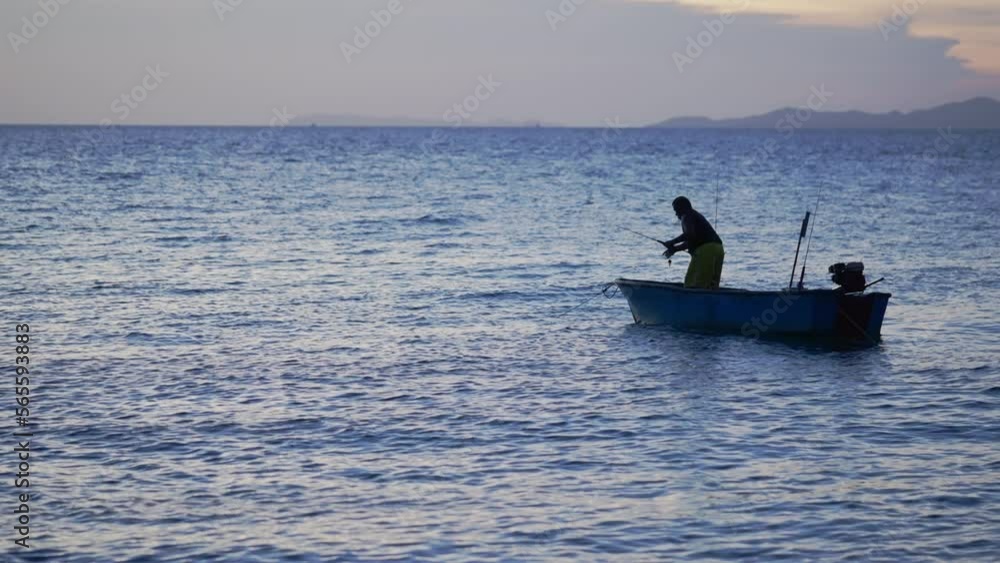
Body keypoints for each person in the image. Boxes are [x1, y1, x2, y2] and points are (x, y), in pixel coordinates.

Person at [663, 196, 725, 289]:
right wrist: (675, 249)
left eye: (676, 210)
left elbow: (689, 235)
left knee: (693, 284)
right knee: (711, 285)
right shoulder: (696, 216)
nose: (676, 214)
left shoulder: (686, 216)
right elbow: (692, 240)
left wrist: (672, 242)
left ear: (683, 208)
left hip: (706, 251)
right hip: (718, 249)